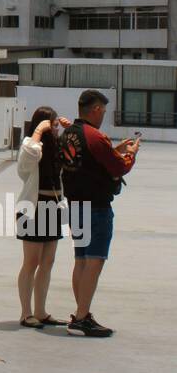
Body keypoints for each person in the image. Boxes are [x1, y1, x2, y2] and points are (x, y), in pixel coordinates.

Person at [61, 89, 138, 338]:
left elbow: (90, 160)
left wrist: (114, 148)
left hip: (75, 204)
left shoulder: (69, 133)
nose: (104, 115)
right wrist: (130, 154)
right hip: (96, 207)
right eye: (103, 110)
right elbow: (117, 167)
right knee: (95, 260)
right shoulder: (95, 136)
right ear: (95, 109)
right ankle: (82, 318)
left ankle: (81, 312)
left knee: (81, 260)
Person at [15, 107, 71, 328]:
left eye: (55, 123)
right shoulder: (32, 146)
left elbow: (75, 157)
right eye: (51, 123)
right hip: (33, 207)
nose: (54, 127)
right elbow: (25, 164)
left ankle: (40, 311)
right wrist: (38, 131)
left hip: (53, 207)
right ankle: (25, 312)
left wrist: (69, 130)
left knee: (48, 261)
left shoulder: (56, 145)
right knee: (31, 262)